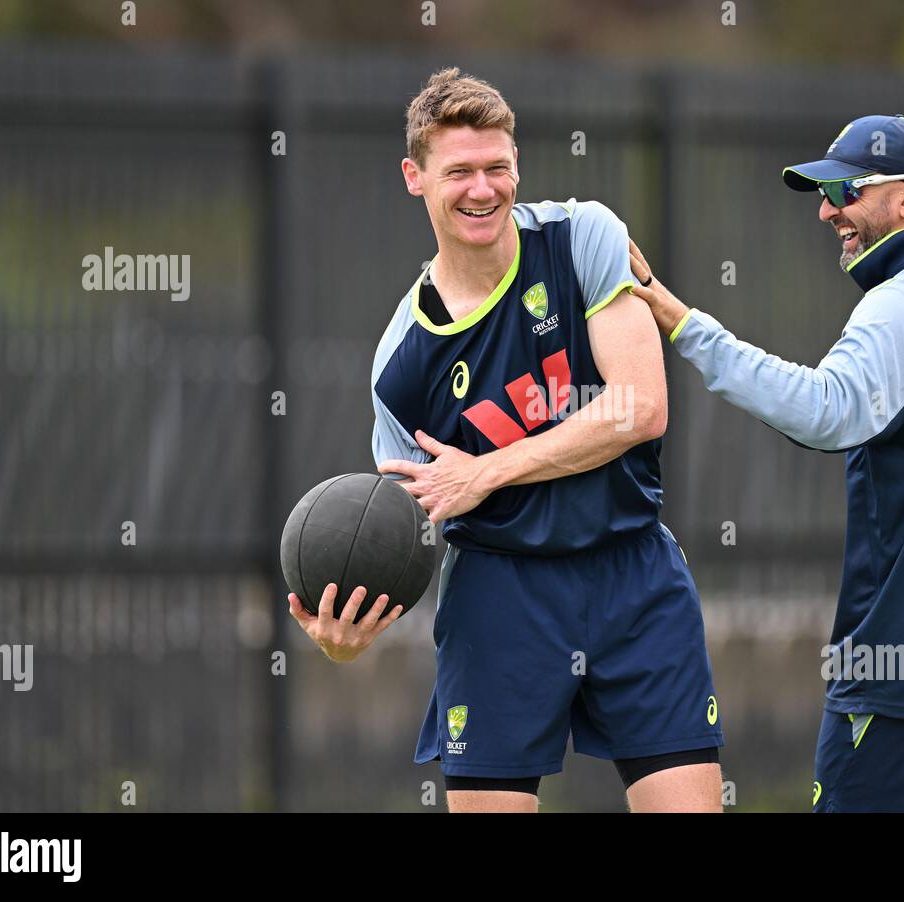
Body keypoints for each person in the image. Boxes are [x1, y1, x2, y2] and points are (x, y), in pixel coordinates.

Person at [289, 68, 724, 813]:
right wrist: (344, 637)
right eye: (458, 171)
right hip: (500, 595)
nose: (482, 190)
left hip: (635, 573)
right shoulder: (402, 364)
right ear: (414, 177)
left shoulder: (584, 237)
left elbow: (642, 406)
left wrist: (486, 471)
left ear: (517, 166)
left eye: (497, 168)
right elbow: (400, 531)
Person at [627, 114, 904, 812]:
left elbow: (824, 410)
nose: (828, 210)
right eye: (825, 193)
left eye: (847, 191)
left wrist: (687, 327)